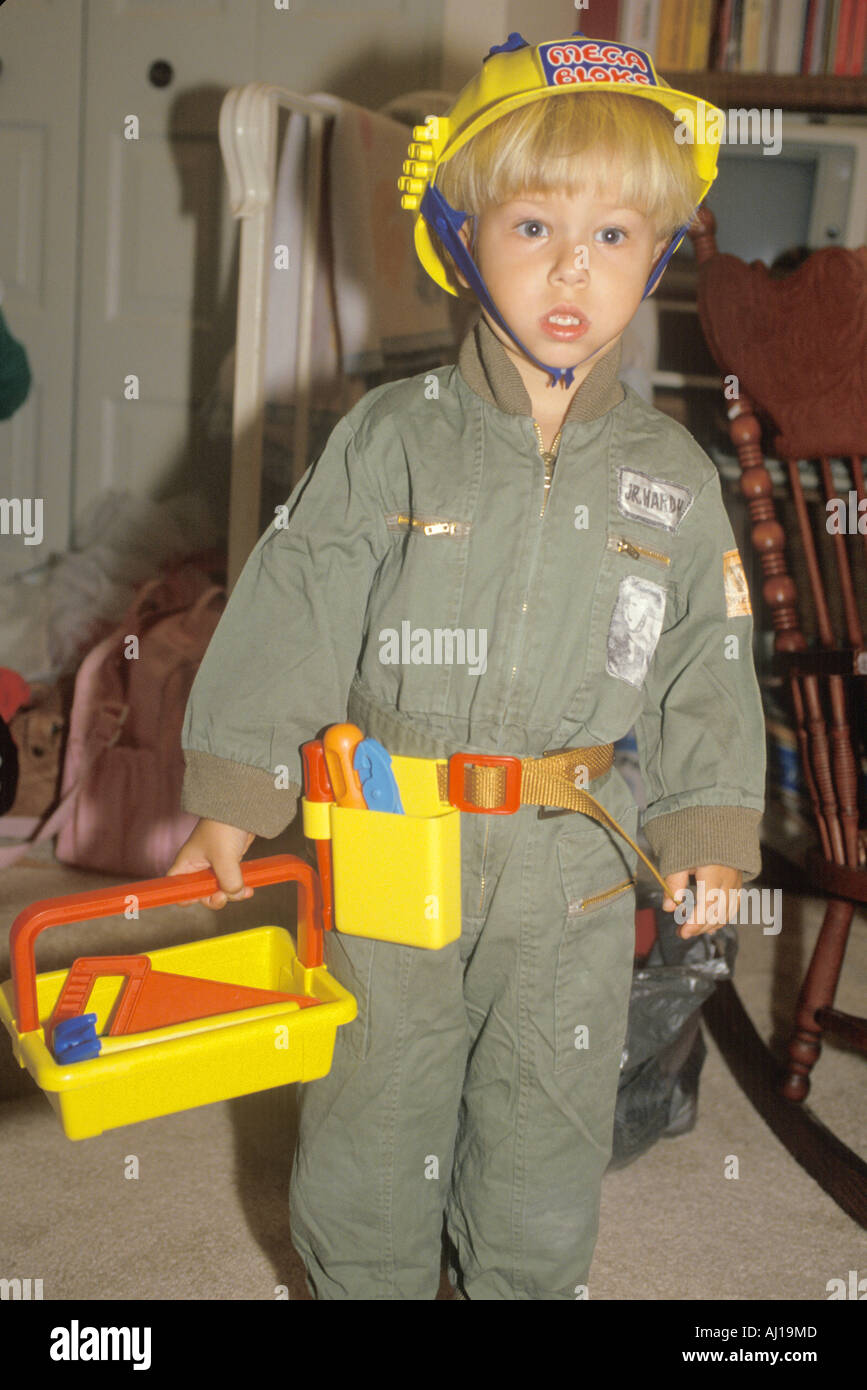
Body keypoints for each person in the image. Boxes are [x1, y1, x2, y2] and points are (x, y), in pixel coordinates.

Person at [169, 30, 766, 1299]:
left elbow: (709, 652)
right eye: (535, 222)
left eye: (613, 236)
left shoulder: (672, 479)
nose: (571, 266)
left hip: (580, 865)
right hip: (395, 844)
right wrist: (234, 791)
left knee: (547, 1119)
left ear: (653, 254)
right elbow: (299, 596)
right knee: (374, 1099)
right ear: (460, 228)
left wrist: (709, 817)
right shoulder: (392, 439)